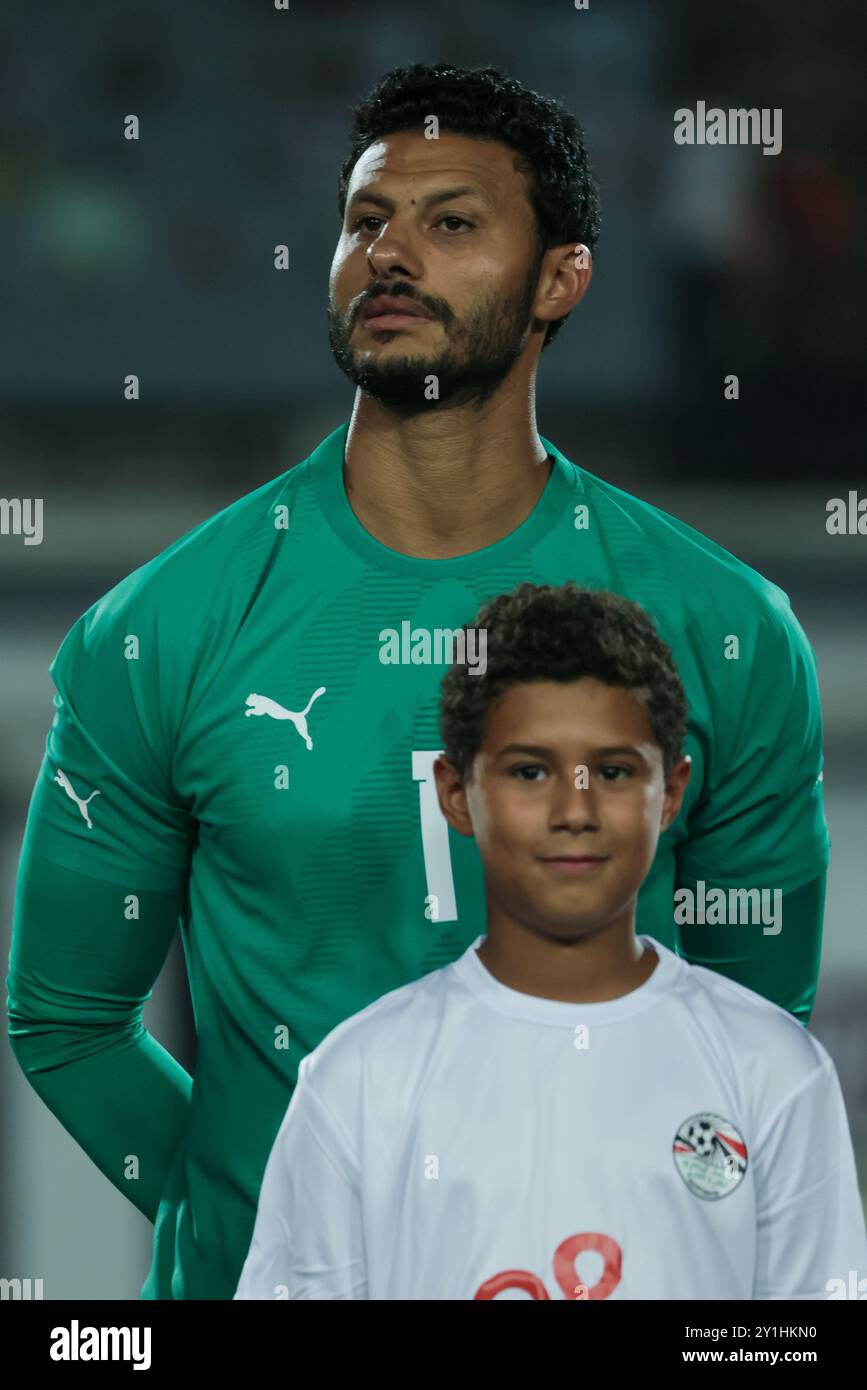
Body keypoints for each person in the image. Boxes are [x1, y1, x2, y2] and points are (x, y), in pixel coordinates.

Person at [7, 64, 830, 1301]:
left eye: (451, 223)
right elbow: (64, 1016)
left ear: (563, 278)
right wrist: (273, 1211)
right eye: (366, 222)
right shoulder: (162, 628)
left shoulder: (729, 632)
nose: (391, 255)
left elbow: (751, 1031)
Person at [234, 584, 864, 1301]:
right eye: (529, 771)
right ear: (453, 793)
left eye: (614, 771)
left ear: (671, 790)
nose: (574, 810)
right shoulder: (358, 1077)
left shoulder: (771, 1068)